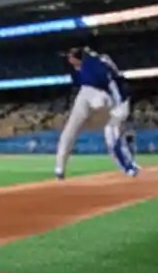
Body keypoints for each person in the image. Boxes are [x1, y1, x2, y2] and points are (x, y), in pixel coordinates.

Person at [54, 46, 140, 180]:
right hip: (100, 98)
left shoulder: (93, 67)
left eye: (70, 57)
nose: (68, 60)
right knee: (72, 131)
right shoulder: (94, 62)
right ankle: (59, 169)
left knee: (108, 133)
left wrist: (119, 108)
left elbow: (112, 83)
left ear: (76, 58)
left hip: (103, 97)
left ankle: (129, 166)